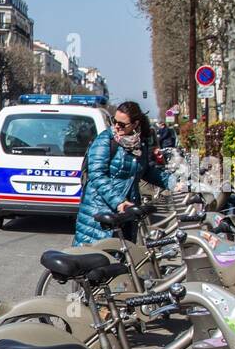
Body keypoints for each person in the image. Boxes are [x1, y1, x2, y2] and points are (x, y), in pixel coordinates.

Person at [73, 101, 174, 247]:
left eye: (122, 124)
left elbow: (146, 171)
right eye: (114, 121)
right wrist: (118, 201)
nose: (117, 126)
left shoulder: (140, 144)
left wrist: (174, 182)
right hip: (100, 210)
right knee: (96, 258)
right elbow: (97, 175)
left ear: (135, 124)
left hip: (126, 212)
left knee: (124, 259)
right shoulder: (105, 140)